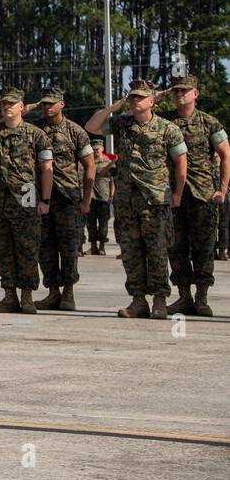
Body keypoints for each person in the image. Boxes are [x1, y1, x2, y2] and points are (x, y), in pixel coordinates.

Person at [84, 80, 186, 319]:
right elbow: (91, 125)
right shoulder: (121, 124)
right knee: (131, 253)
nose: (135, 101)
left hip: (155, 201)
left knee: (157, 252)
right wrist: (113, 108)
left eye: (140, 97)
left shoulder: (167, 128)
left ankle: (159, 301)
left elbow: (181, 163)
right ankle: (138, 300)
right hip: (126, 202)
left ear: (152, 101)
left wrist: (178, 193)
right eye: (132, 97)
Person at [0, 89, 53, 314]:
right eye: (4, 104)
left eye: (12, 104)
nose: (7, 108)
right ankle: (9, 295)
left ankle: (27, 296)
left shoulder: (36, 134)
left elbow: (46, 170)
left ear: (22, 107)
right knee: (2, 249)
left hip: (27, 197)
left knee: (28, 248)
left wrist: (45, 199)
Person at [165, 75, 228, 316]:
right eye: (176, 91)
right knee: (175, 246)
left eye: (185, 90)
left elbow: (225, 155)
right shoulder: (165, 122)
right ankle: (184, 296)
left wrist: (222, 189)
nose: (180, 94)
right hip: (172, 195)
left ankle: (202, 298)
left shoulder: (209, 123)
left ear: (195, 94)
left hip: (202, 194)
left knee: (203, 247)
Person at [34, 88, 95, 311]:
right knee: (45, 246)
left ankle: (68, 292)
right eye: (44, 104)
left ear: (62, 104)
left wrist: (86, 199)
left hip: (68, 198)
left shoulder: (75, 132)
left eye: (51, 103)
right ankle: (53, 292)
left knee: (69, 246)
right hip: (41, 198)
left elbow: (90, 167)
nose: (47, 107)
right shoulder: (35, 130)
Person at [87, 138, 114, 255]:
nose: (96, 151)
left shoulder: (108, 162)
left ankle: (102, 246)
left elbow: (112, 181)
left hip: (103, 197)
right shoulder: (88, 163)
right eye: (93, 149)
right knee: (90, 223)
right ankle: (93, 246)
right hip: (90, 198)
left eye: (97, 148)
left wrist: (111, 195)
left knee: (103, 223)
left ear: (102, 149)